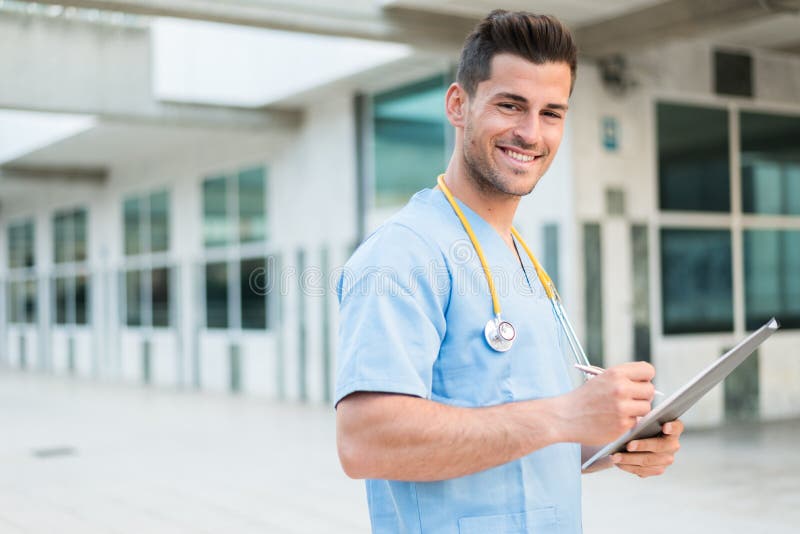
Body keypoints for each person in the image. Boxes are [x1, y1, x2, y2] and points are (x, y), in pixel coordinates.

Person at [334, 9, 683, 533]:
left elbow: (523, 435)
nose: (530, 133)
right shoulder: (403, 254)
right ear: (459, 105)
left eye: (552, 113)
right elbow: (365, 440)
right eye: (511, 105)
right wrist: (565, 414)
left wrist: (616, 440)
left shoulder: (520, 256)